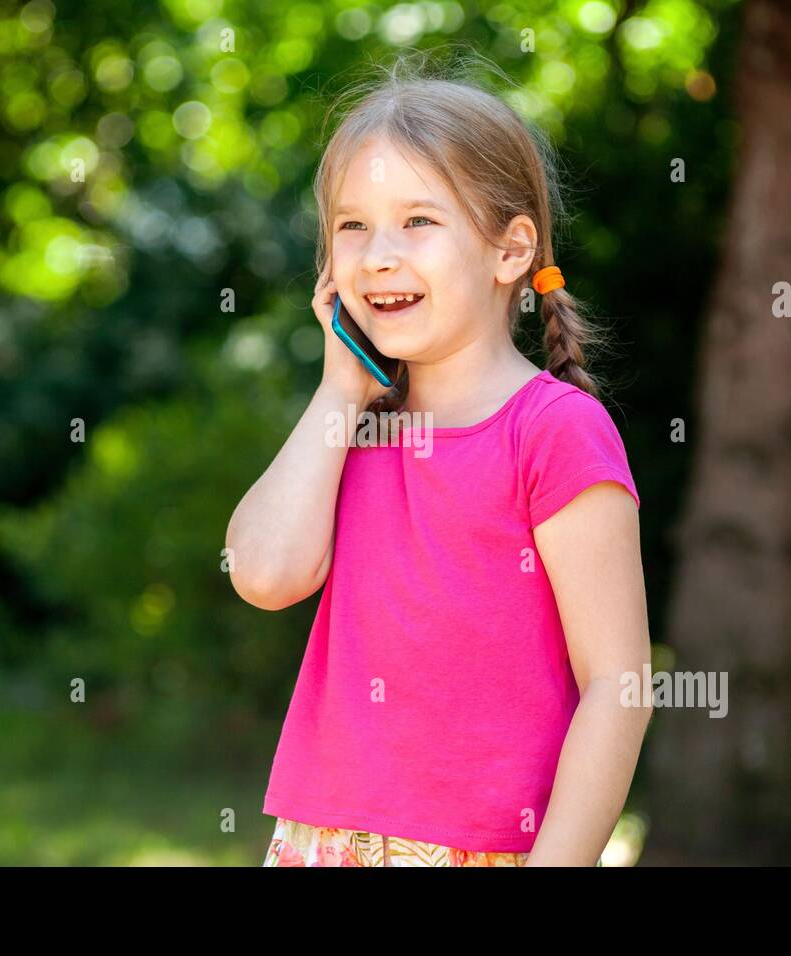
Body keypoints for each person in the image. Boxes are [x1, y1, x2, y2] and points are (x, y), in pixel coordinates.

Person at [226, 53, 652, 867]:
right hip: (324, 845)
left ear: (510, 250)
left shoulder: (555, 430)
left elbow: (618, 687)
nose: (379, 255)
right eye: (352, 226)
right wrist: (340, 391)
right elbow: (263, 574)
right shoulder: (352, 429)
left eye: (418, 221)